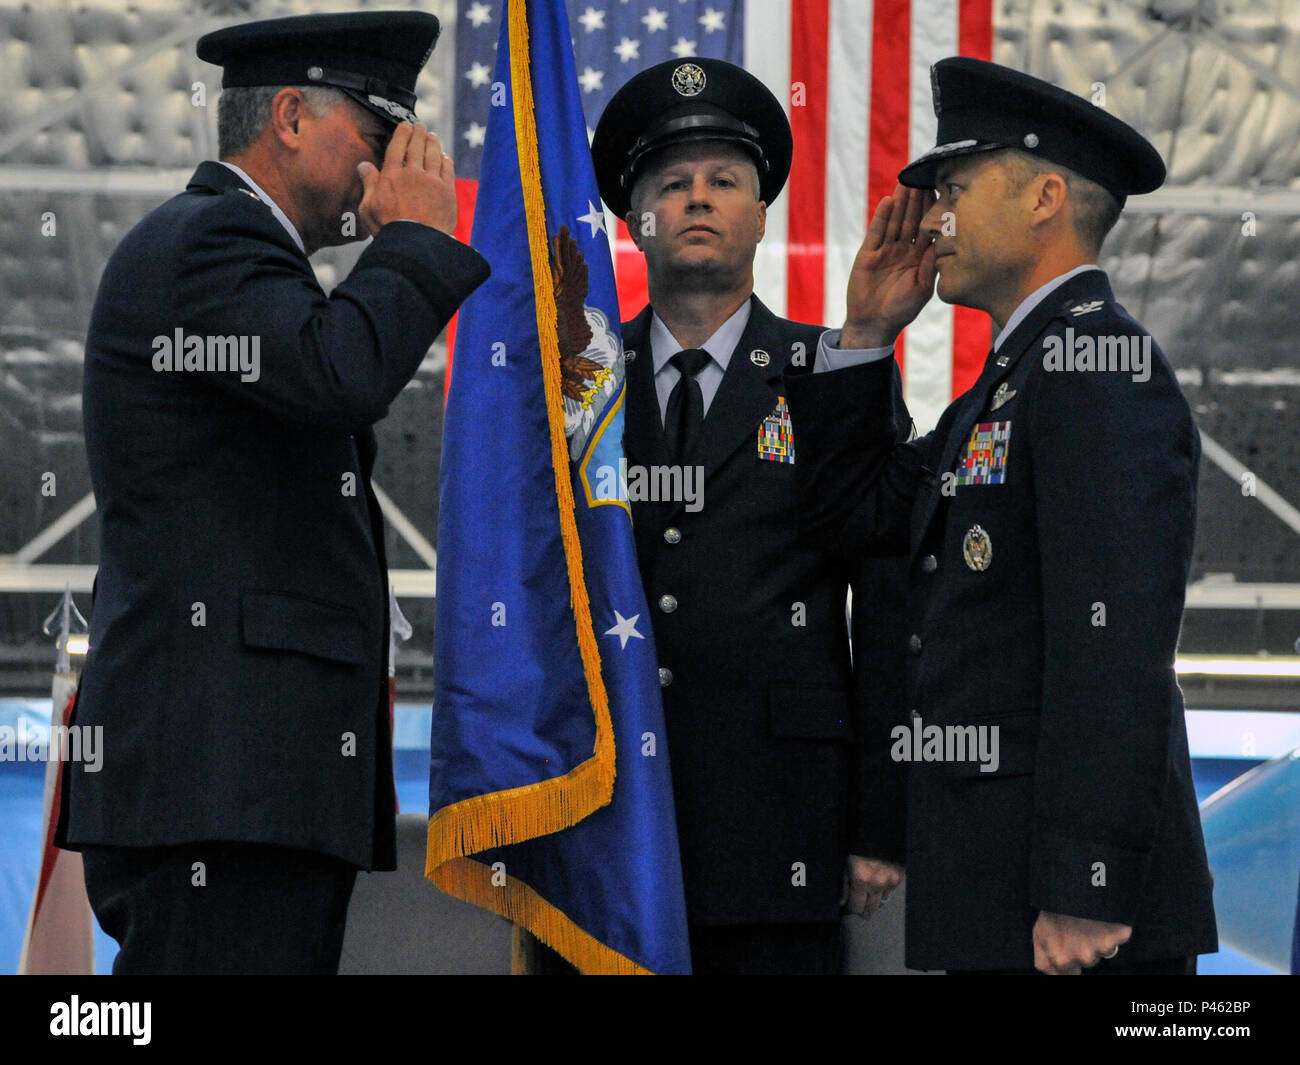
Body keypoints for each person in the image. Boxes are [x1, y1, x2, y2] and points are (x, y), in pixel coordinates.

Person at [54, 11, 490, 974]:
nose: (389, 172)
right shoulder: (211, 239)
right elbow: (337, 372)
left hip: (249, 788)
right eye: (378, 140)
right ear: (290, 115)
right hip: (222, 785)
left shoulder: (245, 255)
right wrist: (412, 239)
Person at [786, 56, 1218, 973]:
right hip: (999, 894)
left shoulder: (1101, 373)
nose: (933, 219)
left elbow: (1114, 648)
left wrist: (1085, 884)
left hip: (1072, 920)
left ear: (1044, 198)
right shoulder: (1012, 383)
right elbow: (853, 517)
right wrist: (864, 338)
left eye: (954, 188)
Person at [582, 58, 907, 974]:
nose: (697, 200)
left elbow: (887, 605)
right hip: (605, 819)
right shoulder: (576, 387)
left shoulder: (835, 372)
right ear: (633, 216)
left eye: (724, 181)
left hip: (782, 823)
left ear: (762, 213)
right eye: (671, 184)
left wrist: (880, 819)